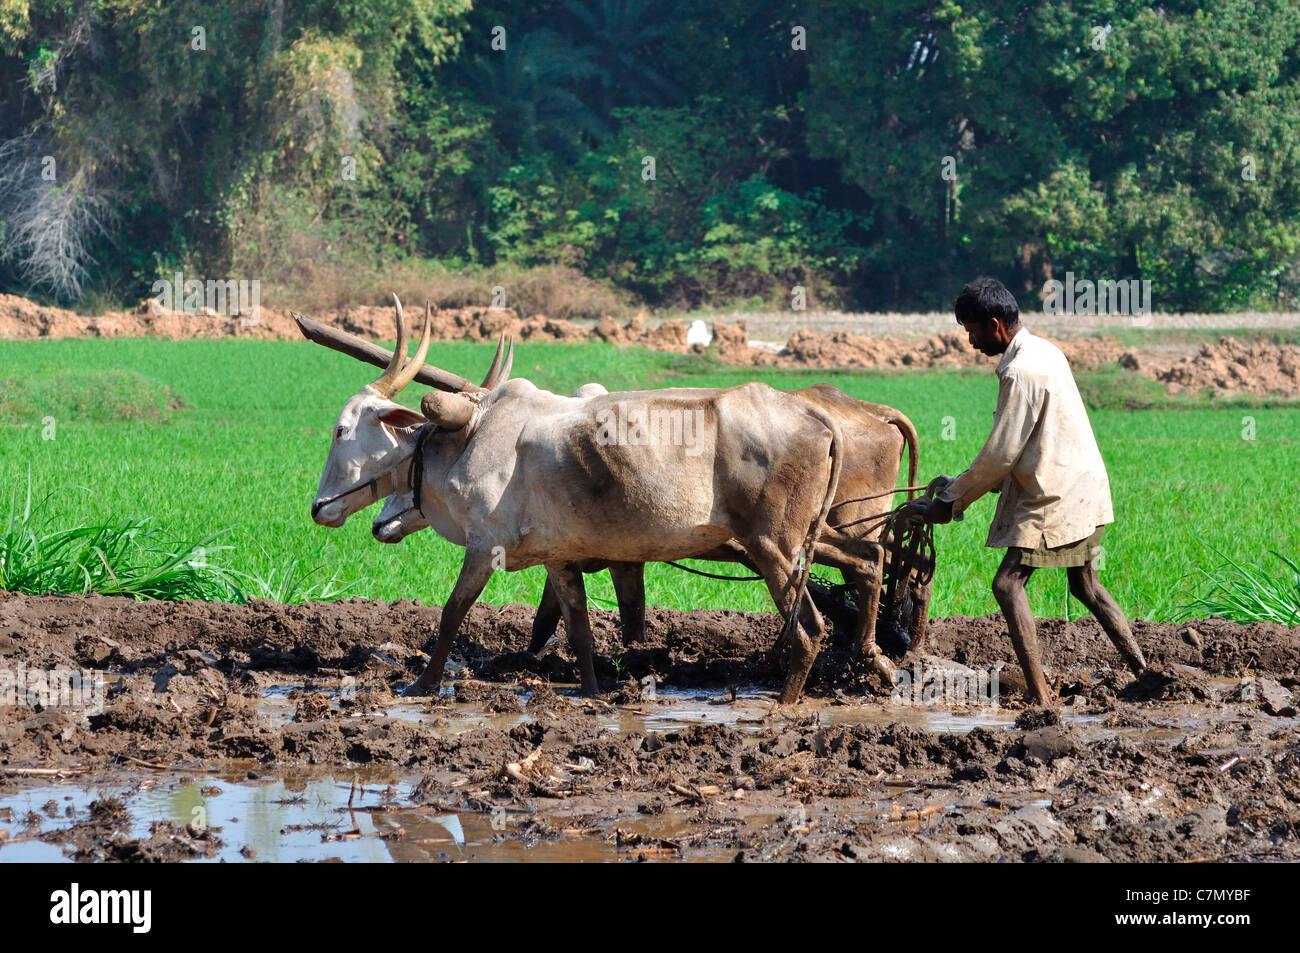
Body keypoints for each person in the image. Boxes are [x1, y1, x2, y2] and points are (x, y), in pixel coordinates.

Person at [912, 276, 1146, 705]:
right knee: (1087, 586)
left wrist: (949, 501)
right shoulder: (1046, 351)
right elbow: (1027, 443)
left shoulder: (1020, 372)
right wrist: (959, 485)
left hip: (1054, 496)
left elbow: (1001, 453)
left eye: (972, 329)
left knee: (1007, 584)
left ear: (996, 325)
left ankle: (1041, 698)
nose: (969, 340)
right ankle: (1143, 671)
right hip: (1083, 486)